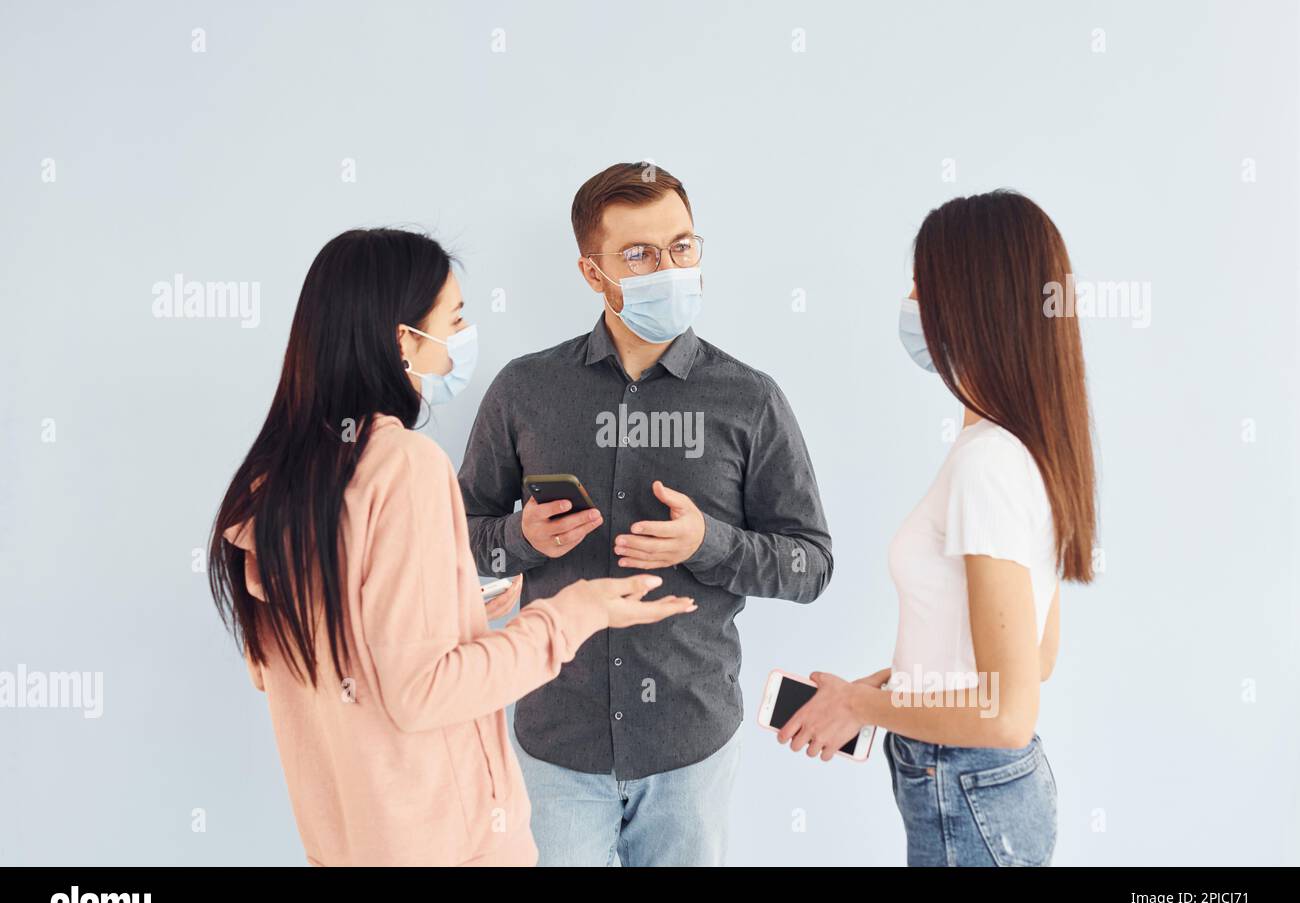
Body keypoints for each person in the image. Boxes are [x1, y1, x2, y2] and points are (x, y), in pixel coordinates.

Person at [208, 228, 695, 867]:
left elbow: (333, 657)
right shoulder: (402, 466)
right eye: (455, 318)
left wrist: (457, 605)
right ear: (403, 340)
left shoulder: (276, 482)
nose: (463, 339)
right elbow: (423, 692)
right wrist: (575, 613)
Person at [458, 162, 833, 866]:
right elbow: (451, 544)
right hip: (557, 742)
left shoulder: (749, 399)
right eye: (639, 254)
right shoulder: (524, 390)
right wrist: (519, 538)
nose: (669, 268)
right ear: (591, 272)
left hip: (690, 746)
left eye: (682, 247)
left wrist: (709, 543)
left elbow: (811, 564)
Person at [780, 191, 1097, 867]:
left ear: (972, 301)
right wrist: (873, 692)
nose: (912, 304)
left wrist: (864, 709)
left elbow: (1009, 713)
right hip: (984, 790)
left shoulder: (989, 464)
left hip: (966, 783)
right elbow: (1033, 657)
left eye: (923, 286)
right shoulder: (1020, 448)